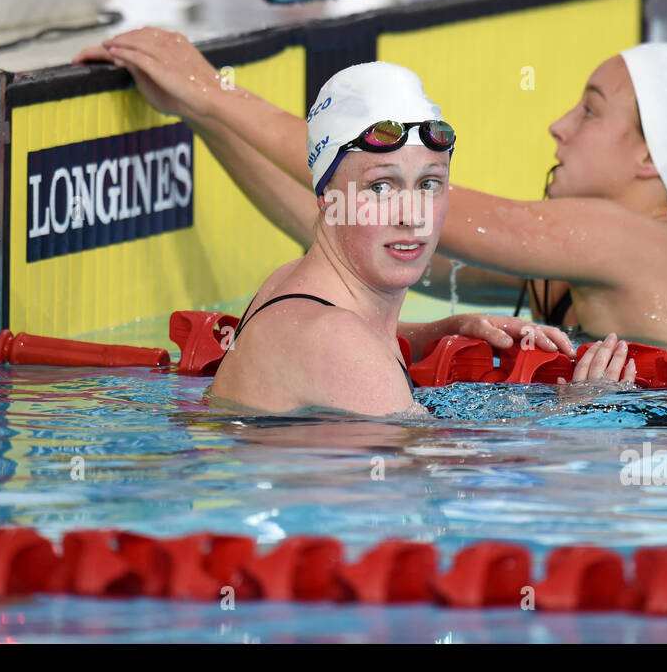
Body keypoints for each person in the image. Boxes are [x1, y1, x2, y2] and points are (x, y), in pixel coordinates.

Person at [74, 31, 667, 350]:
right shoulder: (576, 271)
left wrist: (214, 88)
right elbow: (347, 227)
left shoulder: (638, 240)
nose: (559, 126)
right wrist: (201, 114)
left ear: (650, 160)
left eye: (590, 110)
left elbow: (384, 168)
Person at [130, 59, 636, 416]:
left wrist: (446, 327)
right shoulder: (335, 341)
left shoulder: (296, 287)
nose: (413, 215)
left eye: (429, 184)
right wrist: (579, 411)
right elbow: (441, 473)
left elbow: (361, 346)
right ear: (327, 194)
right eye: (381, 185)